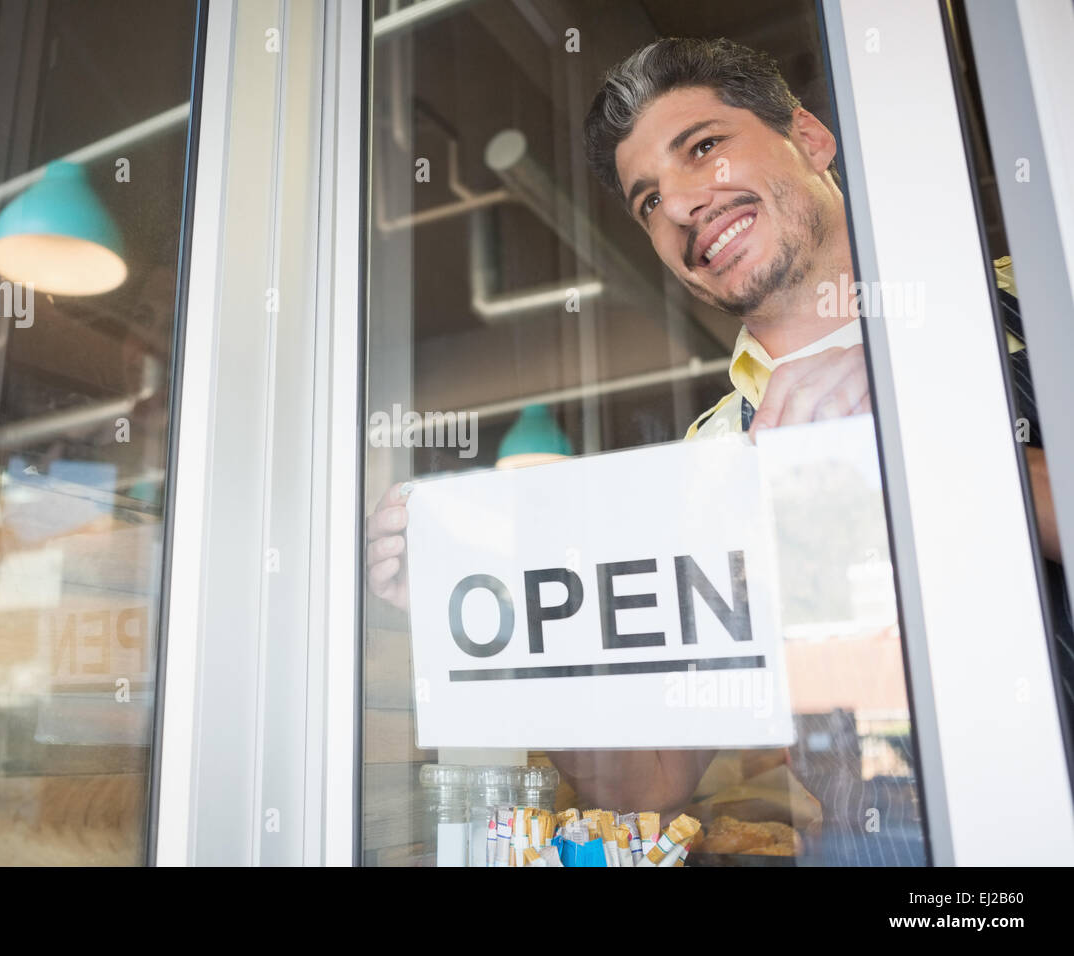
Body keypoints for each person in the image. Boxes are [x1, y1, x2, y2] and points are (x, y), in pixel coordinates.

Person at [367, 36, 1067, 817]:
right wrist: (497, 615)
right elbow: (648, 785)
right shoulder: (708, 460)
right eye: (646, 201)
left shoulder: (1040, 296)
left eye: (703, 148)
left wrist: (921, 426)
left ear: (809, 138)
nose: (678, 207)